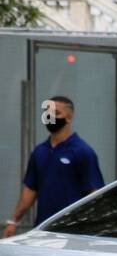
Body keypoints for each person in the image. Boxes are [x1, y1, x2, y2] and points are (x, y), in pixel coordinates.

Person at [4, 96, 104, 237]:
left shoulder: (82, 151)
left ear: (69, 117)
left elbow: (95, 194)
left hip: (72, 232)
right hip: (43, 229)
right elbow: (30, 191)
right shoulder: (39, 151)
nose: (50, 117)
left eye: (56, 113)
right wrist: (13, 221)